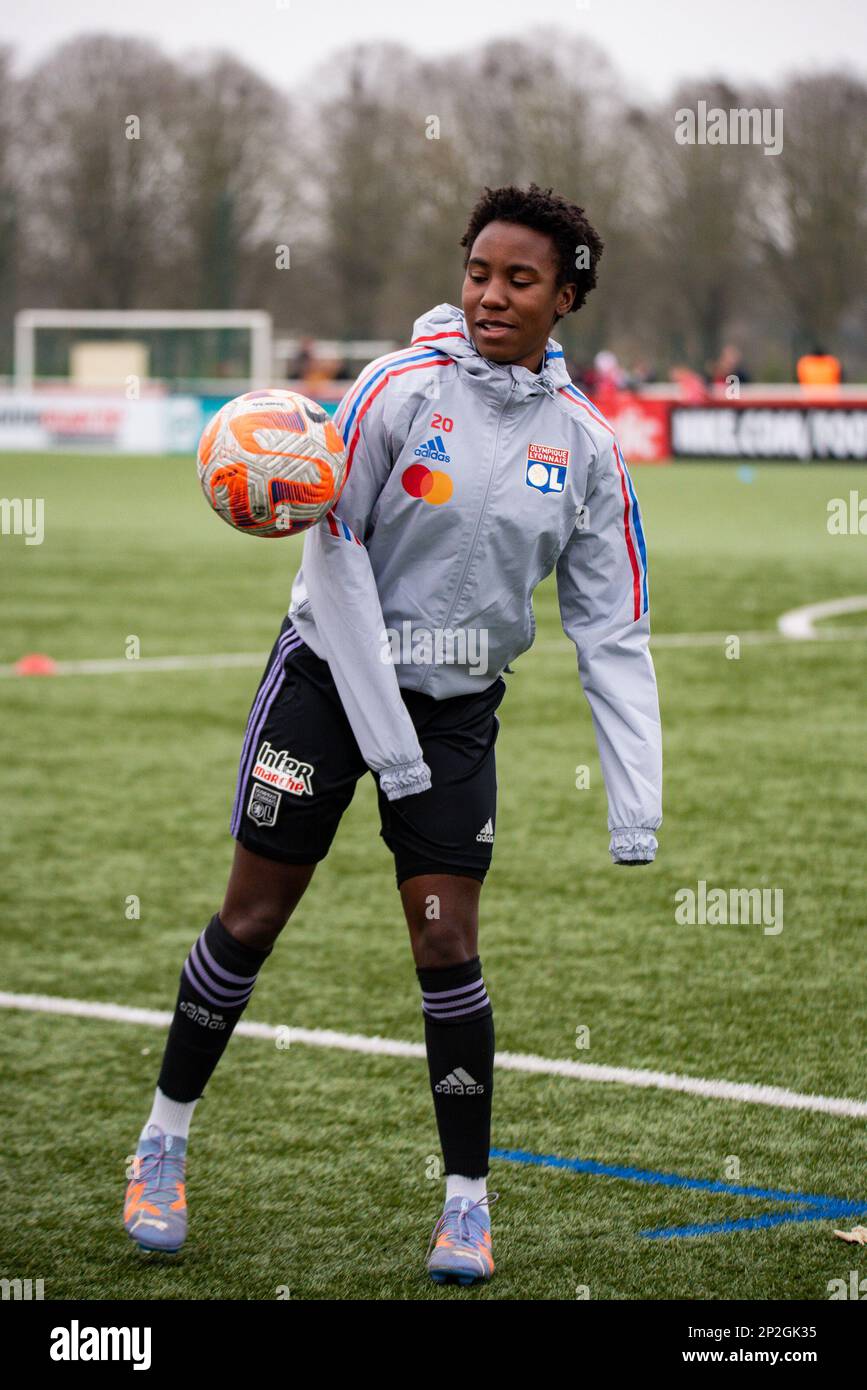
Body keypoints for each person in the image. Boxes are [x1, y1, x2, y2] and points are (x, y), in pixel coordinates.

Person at [123, 183, 663, 1287]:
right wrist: (385, 735)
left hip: (459, 712)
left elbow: (611, 626)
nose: (491, 295)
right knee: (252, 916)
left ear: (567, 295)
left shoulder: (590, 449)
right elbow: (339, 562)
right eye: (478, 272)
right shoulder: (394, 391)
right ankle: (164, 1138)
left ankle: (467, 1202)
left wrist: (635, 801)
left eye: (520, 279)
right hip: (328, 680)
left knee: (447, 944)